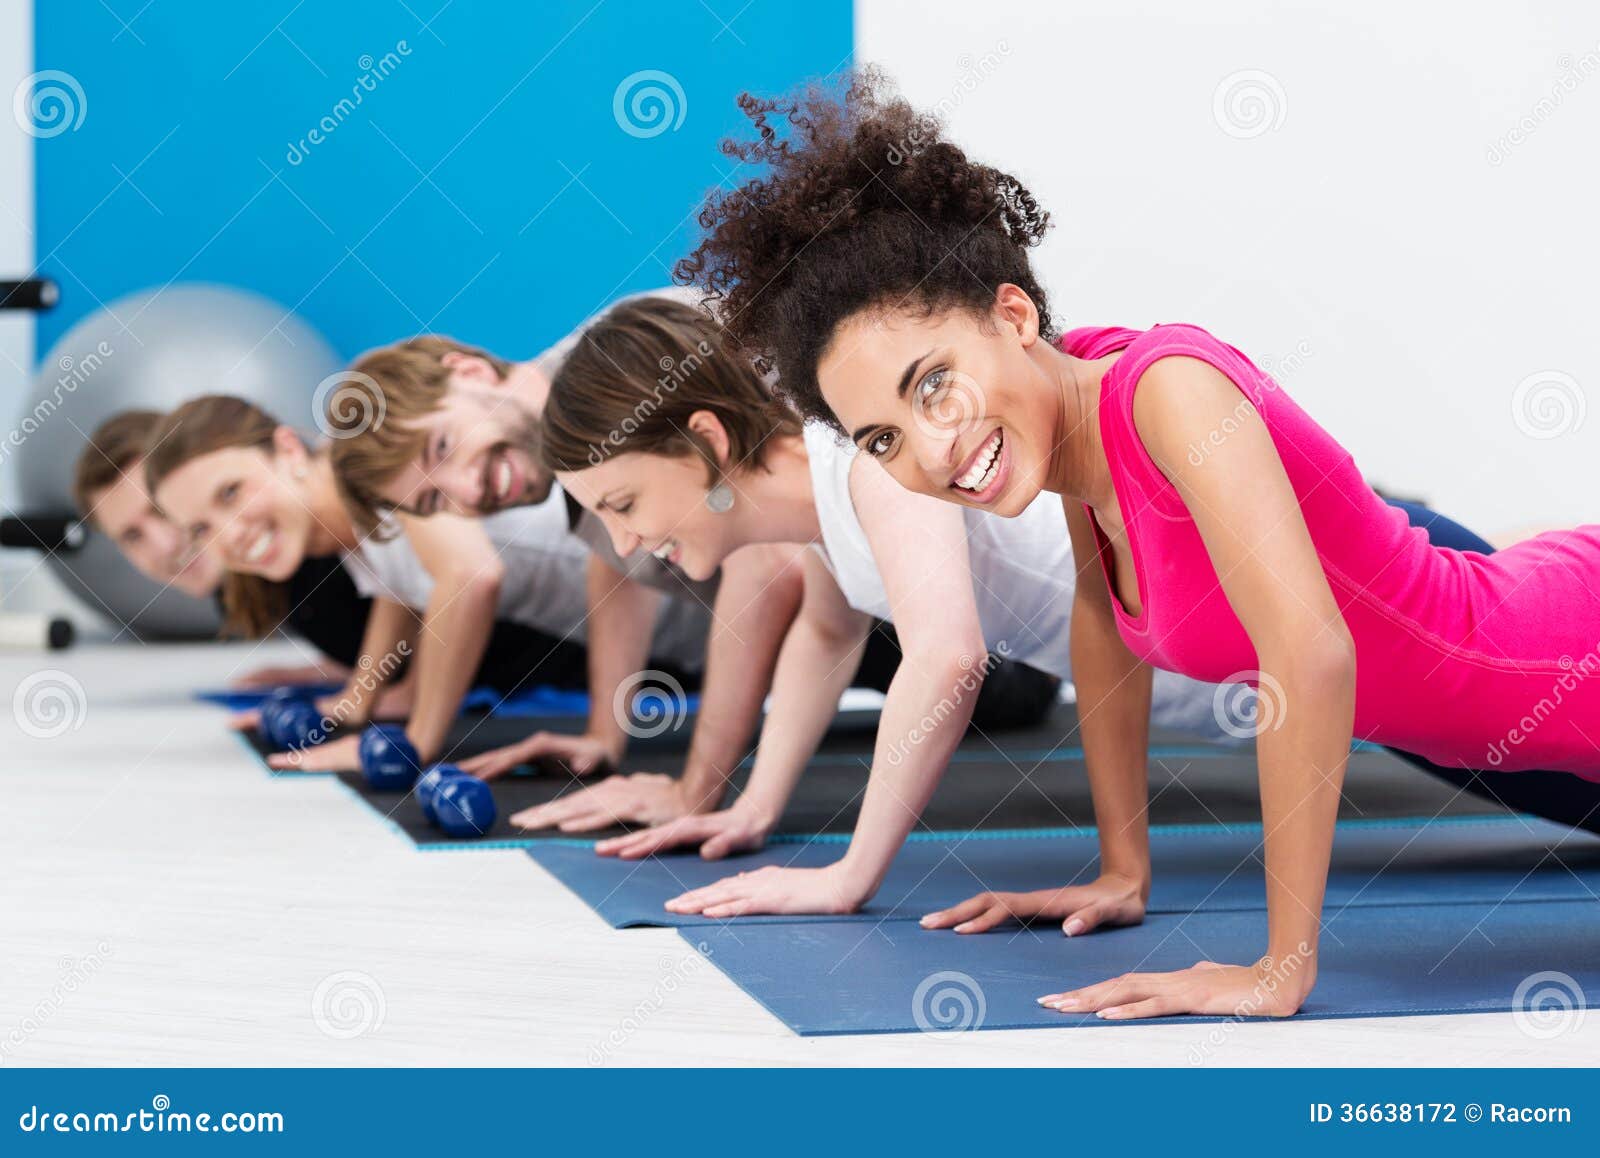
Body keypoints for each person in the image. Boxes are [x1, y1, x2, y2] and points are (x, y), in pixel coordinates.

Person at [666, 72, 1600, 1019]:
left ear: (1015, 317)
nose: (930, 449)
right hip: (1529, 732)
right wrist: (1122, 870)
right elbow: (1102, 629)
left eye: (933, 383)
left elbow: (1310, 653)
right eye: (881, 441)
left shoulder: (1168, 390)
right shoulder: (1081, 435)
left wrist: (1281, 969)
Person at [323, 305, 1065, 835]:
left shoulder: (630, 362)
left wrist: (699, 788)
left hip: (977, 621)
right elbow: (612, 573)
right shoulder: (578, 461)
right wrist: (605, 734)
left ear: (466, 371)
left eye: (443, 451)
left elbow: (768, 556)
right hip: (862, 593)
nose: (464, 495)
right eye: (431, 499)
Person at [142, 395, 706, 772]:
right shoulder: (350, 524)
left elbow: (470, 576)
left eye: (232, 493)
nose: (231, 536)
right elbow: (406, 590)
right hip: (681, 624)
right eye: (201, 529)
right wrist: (351, 707)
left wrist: (416, 743)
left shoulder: (372, 466)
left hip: (709, 600)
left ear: (289, 450)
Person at [73, 409, 359, 689]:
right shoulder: (244, 590)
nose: (165, 546)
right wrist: (347, 668)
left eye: (161, 511)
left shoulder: (315, 542)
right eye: (132, 536)